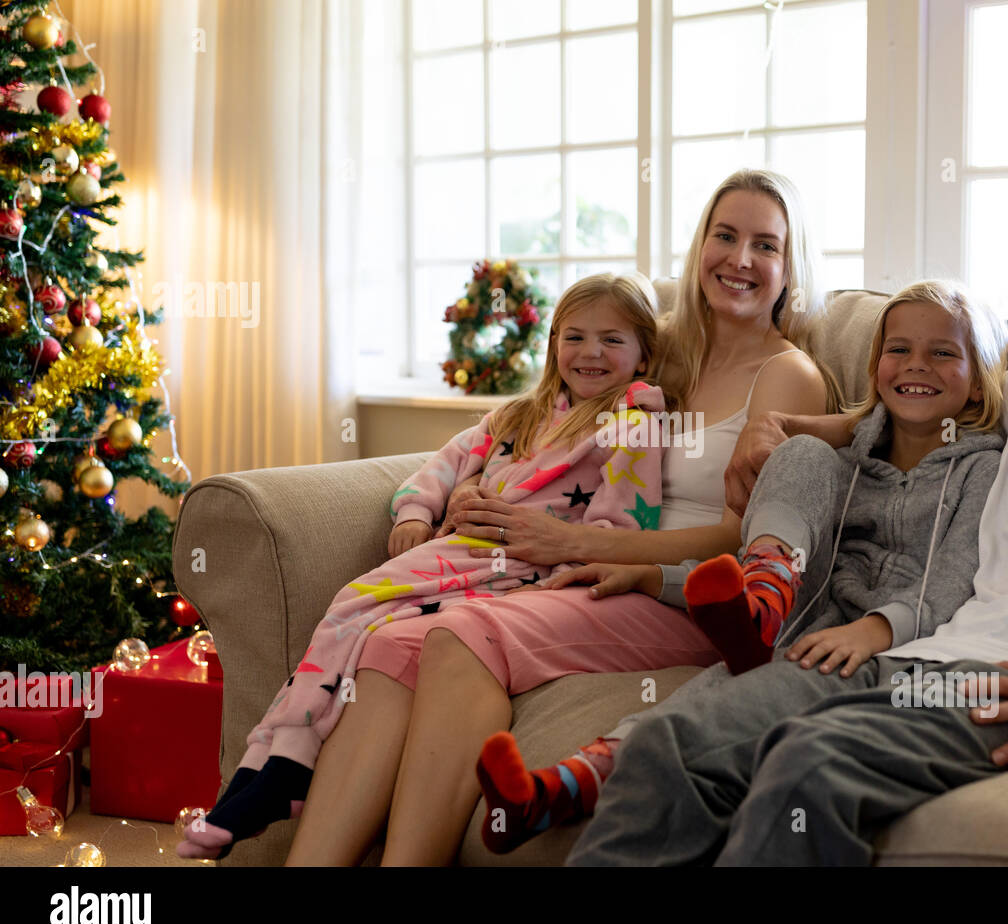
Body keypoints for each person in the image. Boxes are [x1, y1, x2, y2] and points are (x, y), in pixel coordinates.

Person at [567, 179, 1008, 866]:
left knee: (811, 767)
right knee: (670, 742)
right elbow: (913, 399)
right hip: (927, 656)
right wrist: (780, 428)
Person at [277, 169, 840, 866]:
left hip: (683, 590)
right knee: (391, 644)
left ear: (790, 268)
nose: (741, 259)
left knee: (457, 635)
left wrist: (572, 540)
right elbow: (543, 422)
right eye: (725, 236)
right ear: (700, 247)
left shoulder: (786, 374)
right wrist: (481, 486)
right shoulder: (660, 347)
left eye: (766, 245)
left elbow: (745, 537)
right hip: (582, 558)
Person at [474, 278, 1008, 854]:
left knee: (697, 712)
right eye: (898, 349)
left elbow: (951, 580)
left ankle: (566, 786)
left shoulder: (981, 471)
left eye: (943, 353)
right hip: (794, 611)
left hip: (862, 642)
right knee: (801, 454)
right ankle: (763, 596)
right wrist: (654, 578)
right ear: (877, 365)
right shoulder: (844, 460)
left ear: (979, 384)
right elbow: (766, 551)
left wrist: (874, 629)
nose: (916, 364)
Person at [176, 271, 672, 860]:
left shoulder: (635, 415)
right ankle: (277, 761)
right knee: (362, 618)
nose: (591, 353)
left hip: (531, 569)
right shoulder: (519, 415)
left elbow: (623, 526)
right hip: (468, 554)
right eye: (576, 337)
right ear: (553, 345)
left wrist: (560, 540)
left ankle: (278, 766)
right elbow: (441, 465)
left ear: (644, 354)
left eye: (612, 340)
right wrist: (415, 512)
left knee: (355, 604)